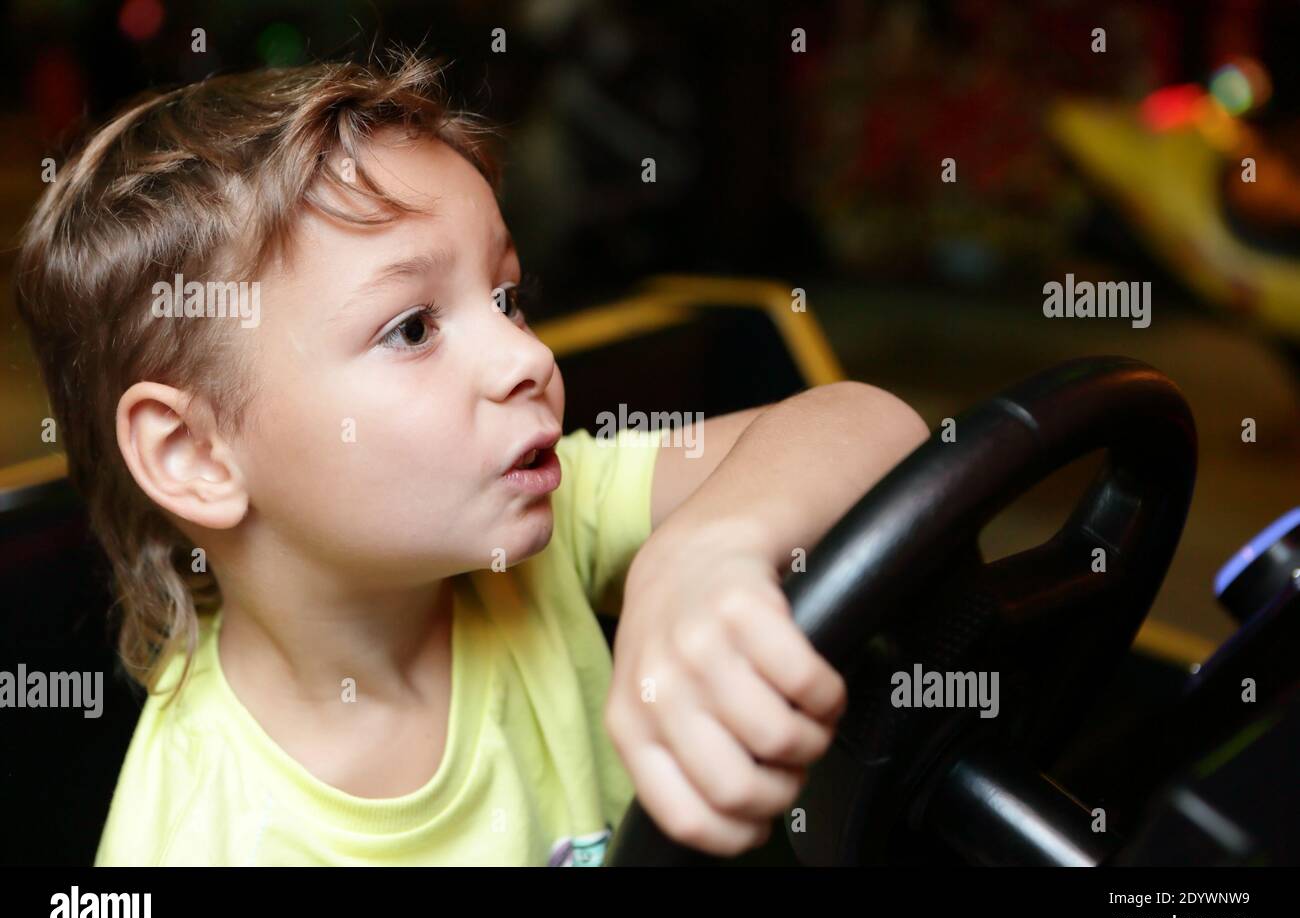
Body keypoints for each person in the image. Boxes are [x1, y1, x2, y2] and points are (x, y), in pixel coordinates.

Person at [14, 50, 929, 865]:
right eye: (413, 328)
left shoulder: (542, 533)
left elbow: (872, 425)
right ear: (196, 454)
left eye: (507, 296)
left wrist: (706, 552)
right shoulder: (199, 838)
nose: (527, 358)